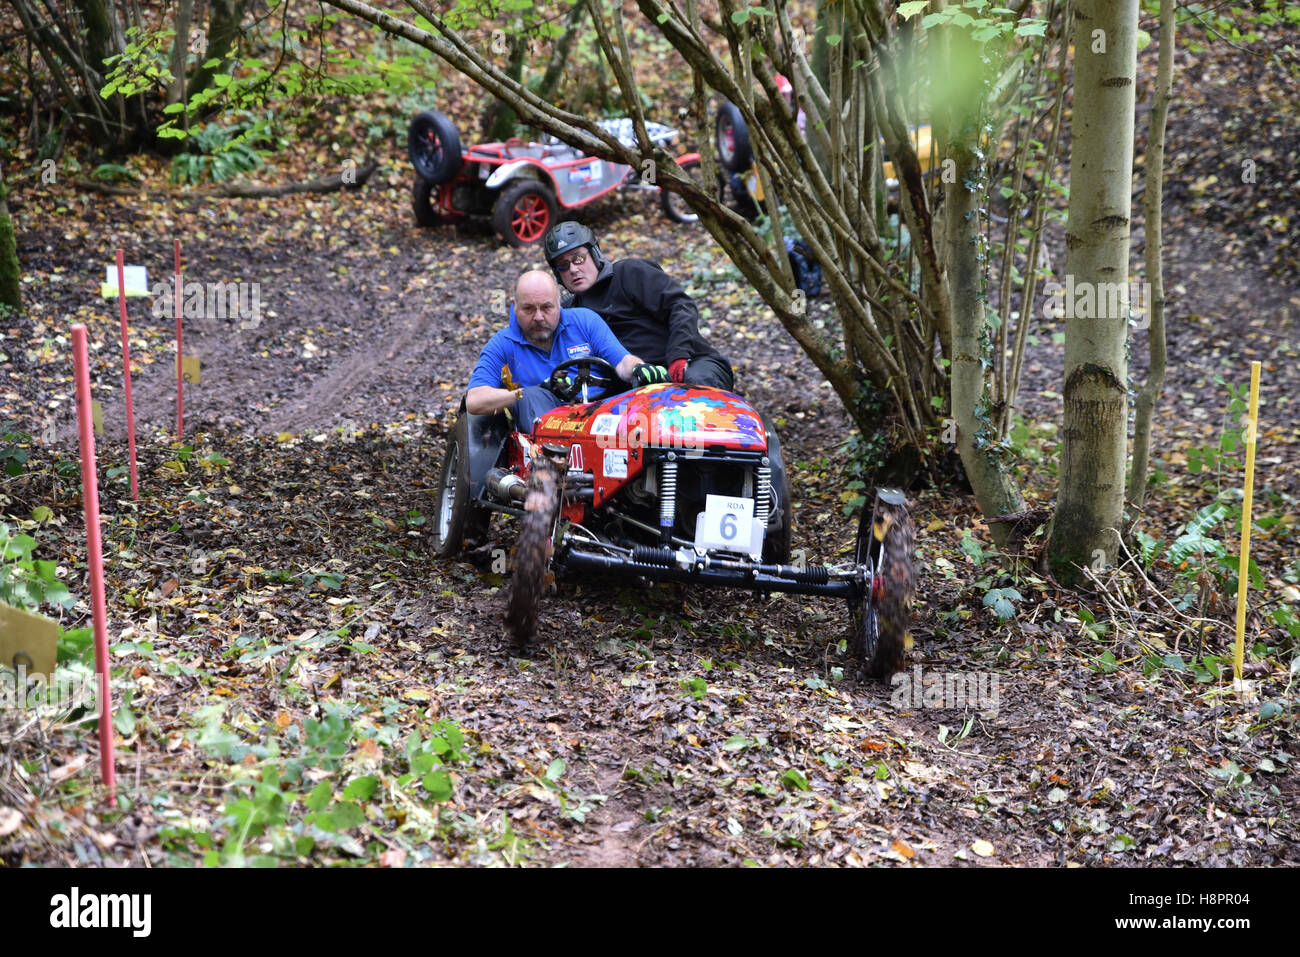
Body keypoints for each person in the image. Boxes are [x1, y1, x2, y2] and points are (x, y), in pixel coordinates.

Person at [543, 222, 736, 391]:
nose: (573, 269)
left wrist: (678, 356)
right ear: (558, 274)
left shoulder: (630, 273)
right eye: (563, 265)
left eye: (578, 258)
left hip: (691, 363)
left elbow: (681, 306)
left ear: (594, 254)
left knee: (694, 390)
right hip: (635, 386)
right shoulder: (569, 313)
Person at [466, 270, 663, 429]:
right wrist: (523, 394)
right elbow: (474, 400)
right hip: (542, 431)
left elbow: (622, 362)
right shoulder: (502, 344)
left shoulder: (585, 321)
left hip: (602, 420)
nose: (538, 317)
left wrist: (639, 367)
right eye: (528, 309)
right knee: (532, 396)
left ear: (560, 304)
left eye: (546, 308)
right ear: (514, 306)